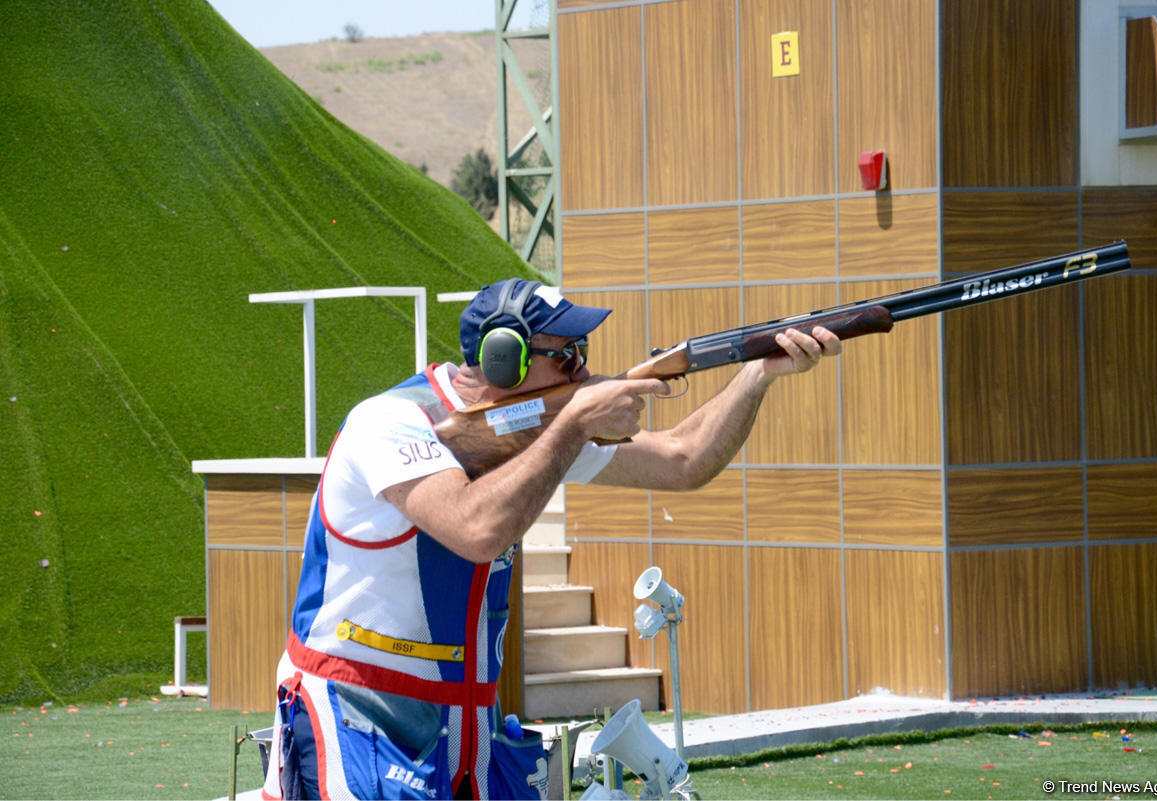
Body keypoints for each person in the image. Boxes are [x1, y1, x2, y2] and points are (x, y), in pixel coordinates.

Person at [261, 279, 841, 801]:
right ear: (503, 360)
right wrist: (572, 424)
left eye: (581, 354)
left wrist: (757, 373)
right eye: (564, 355)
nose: (583, 372)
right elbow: (475, 530)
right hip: (359, 709)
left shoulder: (533, 430)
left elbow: (683, 461)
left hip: (465, 725)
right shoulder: (388, 423)